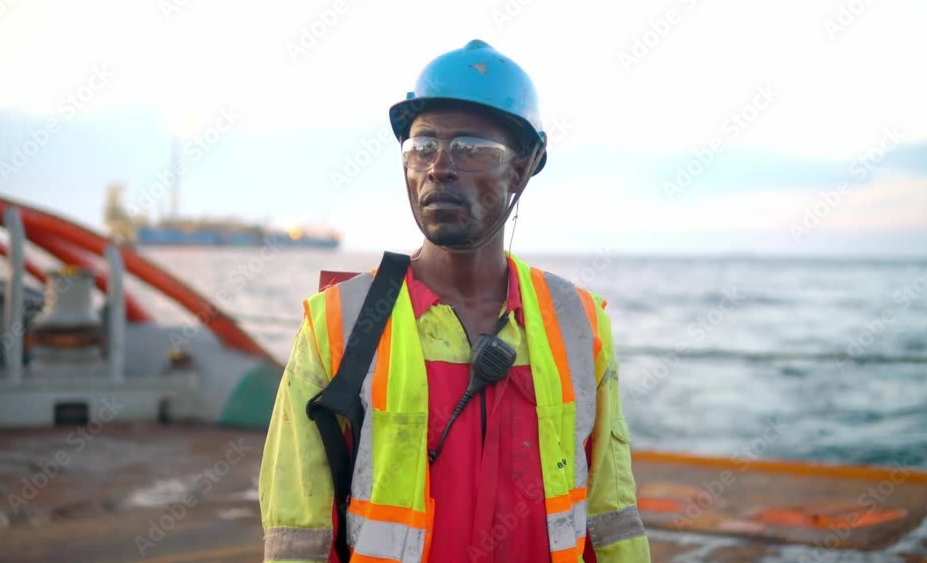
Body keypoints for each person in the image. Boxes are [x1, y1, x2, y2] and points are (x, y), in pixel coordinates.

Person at [259, 39, 650, 563]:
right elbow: (296, 537)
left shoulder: (579, 324)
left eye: (469, 148)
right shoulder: (339, 323)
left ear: (522, 167)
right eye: (423, 146)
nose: (439, 166)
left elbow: (612, 517)